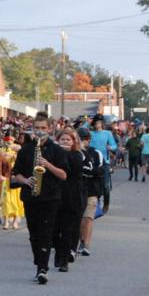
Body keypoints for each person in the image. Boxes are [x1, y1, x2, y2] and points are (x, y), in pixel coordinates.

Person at [10, 113, 69, 284]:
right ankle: (39, 260)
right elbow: (16, 173)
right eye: (37, 128)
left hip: (51, 197)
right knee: (34, 233)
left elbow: (64, 175)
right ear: (33, 129)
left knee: (46, 232)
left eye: (43, 128)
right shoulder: (26, 149)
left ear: (49, 129)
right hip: (30, 196)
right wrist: (25, 180)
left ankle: (42, 268)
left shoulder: (56, 150)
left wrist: (47, 164)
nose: (40, 131)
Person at [51, 129, 85, 272]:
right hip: (54, 195)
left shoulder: (77, 155)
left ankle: (64, 260)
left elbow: (73, 170)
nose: (65, 142)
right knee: (53, 230)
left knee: (67, 230)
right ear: (57, 141)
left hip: (71, 196)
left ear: (73, 142)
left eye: (68, 140)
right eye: (62, 140)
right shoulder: (52, 154)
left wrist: (64, 153)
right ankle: (58, 252)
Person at [78, 129, 106, 257]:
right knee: (77, 220)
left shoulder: (96, 153)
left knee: (88, 218)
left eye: (84, 139)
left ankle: (86, 245)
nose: (81, 142)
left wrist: (88, 169)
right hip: (76, 190)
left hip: (91, 191)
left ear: (88, 140)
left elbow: (100, 171)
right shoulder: (73, 153)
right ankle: (79, 240)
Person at [89, 115, 117, 214]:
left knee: (105, 186)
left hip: (105, 162)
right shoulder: (90, 133)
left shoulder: (107, 133)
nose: (97, 124)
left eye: (99, 122)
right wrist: (88, 121)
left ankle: (106, 203)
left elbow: (114, 146)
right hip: (93, 161)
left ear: (102, 123)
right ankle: (97, 205)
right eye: (95, 122)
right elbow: (82, 132)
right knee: (95, 185)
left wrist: (110, 147)